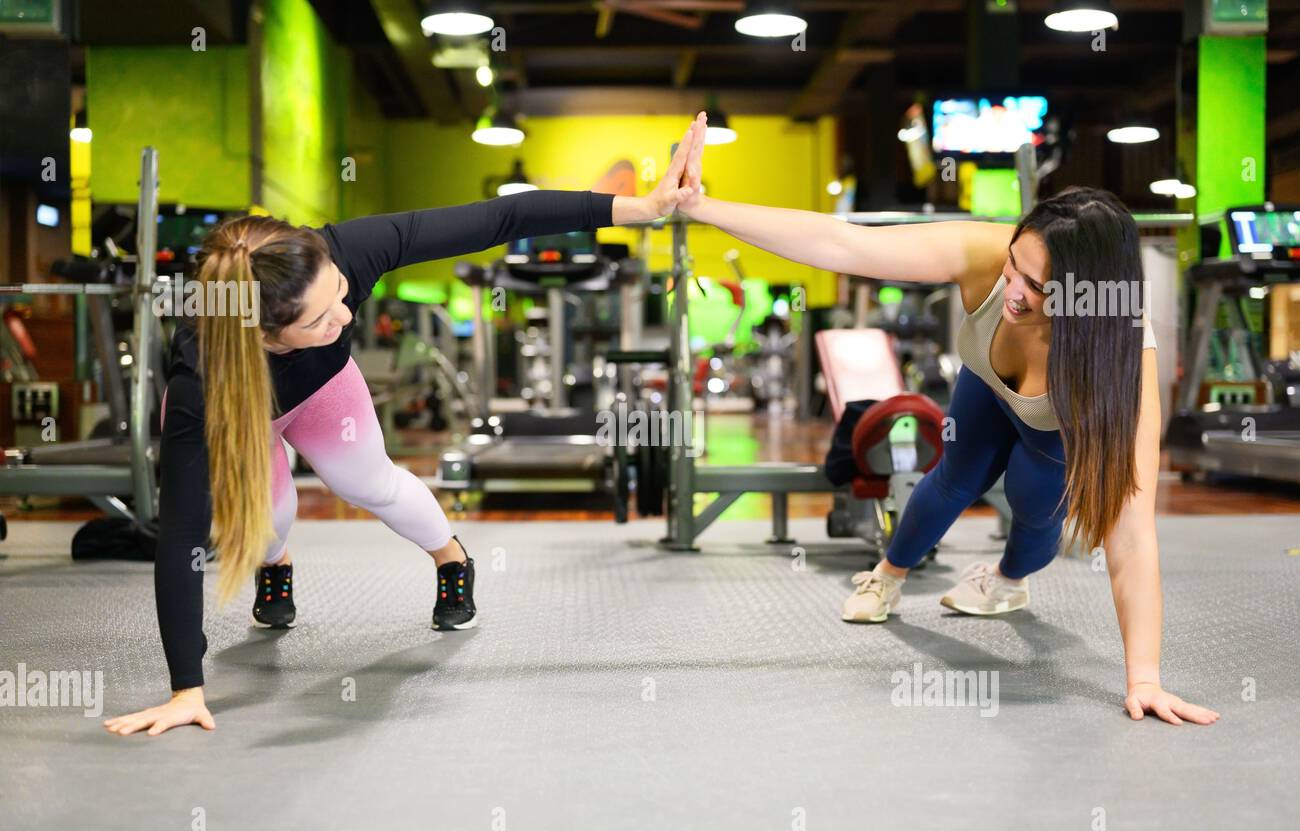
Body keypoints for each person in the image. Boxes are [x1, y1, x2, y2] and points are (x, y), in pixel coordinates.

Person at [103, 120, 706, 737]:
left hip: (321, 391)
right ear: (261, 334)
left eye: (340, 293)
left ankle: (452, 560)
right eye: (320, 318)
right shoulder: (200, 387)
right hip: (248, 413)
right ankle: (275, 562)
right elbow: (179, 538)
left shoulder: (350, 248)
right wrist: (186, 690)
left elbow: (497, 219)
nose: (344, 312)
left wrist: (643, 208)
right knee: (262, 527)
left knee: (370, 484)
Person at [674, 111, 1218, 726]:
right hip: (988, 386)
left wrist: (1144, 677)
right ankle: (887, 573)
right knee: (952, 476)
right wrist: (705, 208)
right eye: (1013, 264)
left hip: (1053, 424)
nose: (1010, 289)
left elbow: (1131, 527)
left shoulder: (1121, 362)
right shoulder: (984, 254)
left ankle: (1009, 580)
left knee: (1034, 504)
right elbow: (845, 242)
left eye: (1034, 287)